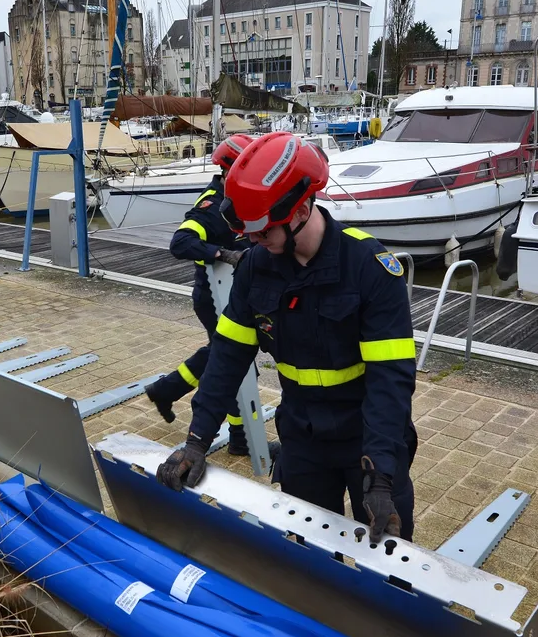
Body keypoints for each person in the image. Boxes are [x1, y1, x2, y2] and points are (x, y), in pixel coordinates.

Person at [156, 132, 418, 543]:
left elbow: (392, 379)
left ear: (299, 211)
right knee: (312, 554)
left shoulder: (368, 268)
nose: (252, 242)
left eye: (262, 232)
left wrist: (382, 474)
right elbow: (226, 358)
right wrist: (197, 440)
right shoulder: (256, 268)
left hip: (367, 436)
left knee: (390, 559)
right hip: (303, 437)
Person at [145, 134, 257, 455]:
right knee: (234, 360)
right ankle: (240, 438)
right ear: (228, 170)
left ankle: (167, 389)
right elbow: (180, 242)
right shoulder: (211, 207)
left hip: (233, 295)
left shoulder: (240, 197)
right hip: (214, 299)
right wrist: (223, 254)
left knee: (222, 355)